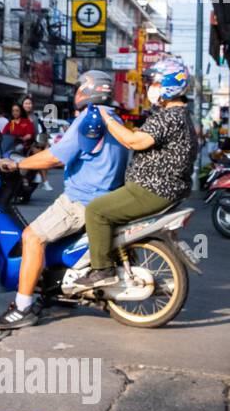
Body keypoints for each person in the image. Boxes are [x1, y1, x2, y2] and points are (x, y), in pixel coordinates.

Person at [0, 71, 129, 329]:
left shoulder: (90, 117)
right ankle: (55, 291)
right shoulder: (113, 118)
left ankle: (23, 307)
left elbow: (56, 157)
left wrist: (18, 164)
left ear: (89, 89)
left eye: (78, 88)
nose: (76, 93)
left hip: (81, 199)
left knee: (32, 237)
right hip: (105, 195)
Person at [73, 57, 199, 291]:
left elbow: (133, 141)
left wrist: (106, 118)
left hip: (152, 190)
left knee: (96, 211)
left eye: (155, 83)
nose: (151, 88)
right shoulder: (179, 116)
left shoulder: (170, 117)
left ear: (170, 84)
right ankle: (118, 261)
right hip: (164, 188)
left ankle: (102, 270)